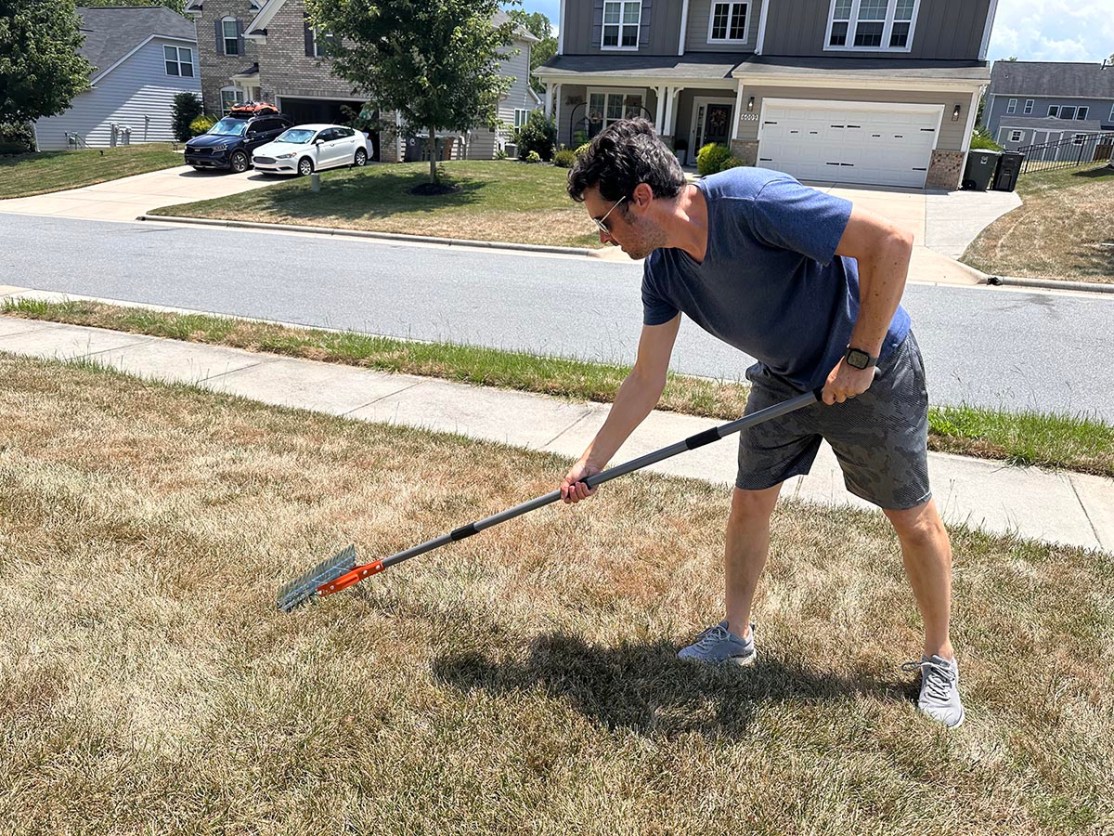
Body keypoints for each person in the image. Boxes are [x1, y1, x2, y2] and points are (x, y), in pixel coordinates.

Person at [559, 118, 964, 728]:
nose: (604, 235)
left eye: (604, 220)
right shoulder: (664, 272)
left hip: (871, 366)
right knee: (749, 505)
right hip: (785, 378)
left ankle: (940, 658)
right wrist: (593, 461)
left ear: (641, 197)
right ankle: (736, 633)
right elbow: (646, 380)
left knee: (911, 518)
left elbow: (893, 243)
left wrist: (860, 357)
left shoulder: (750, 202)